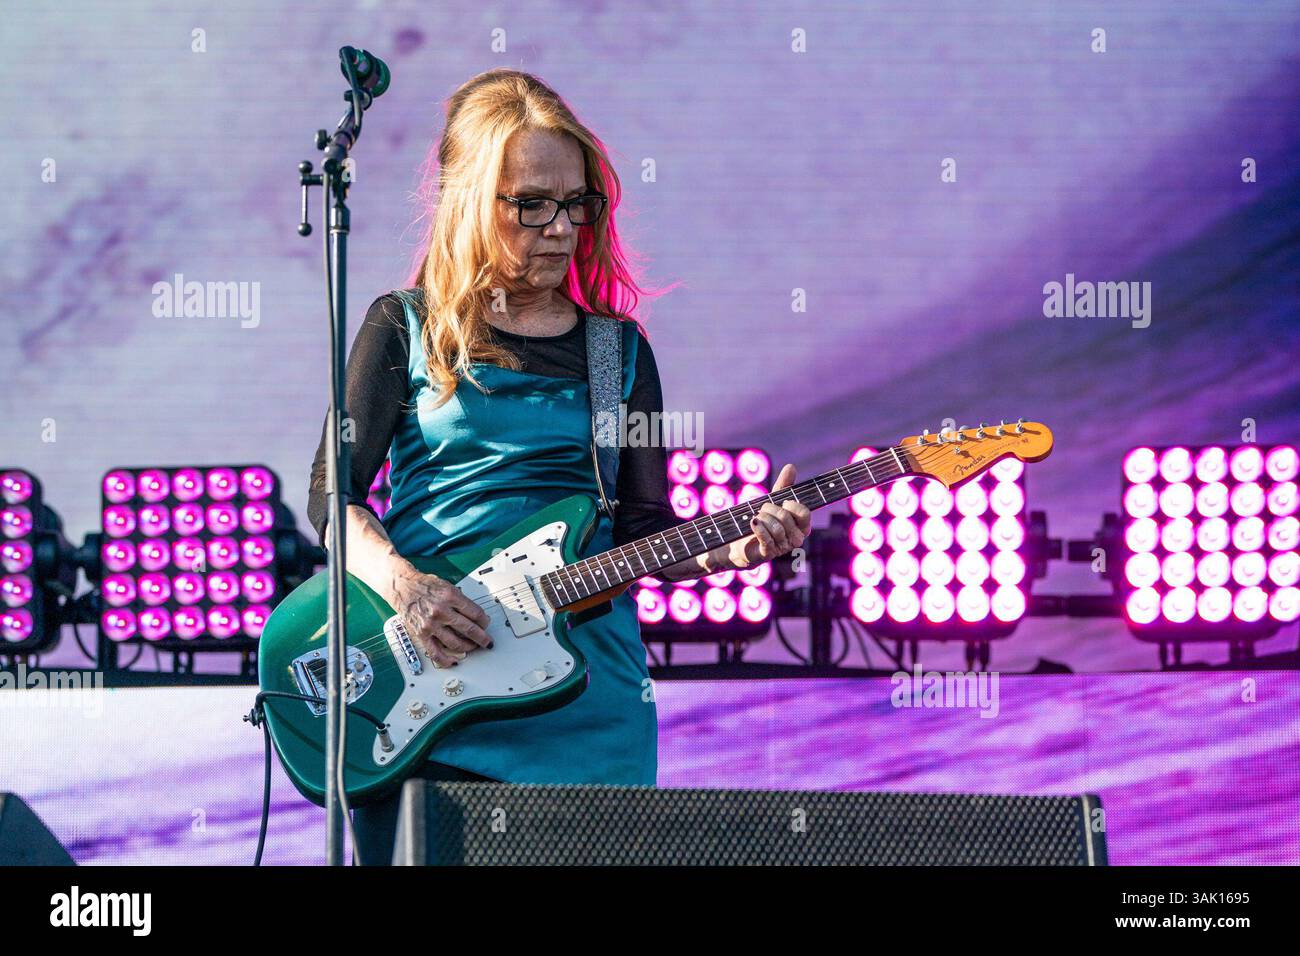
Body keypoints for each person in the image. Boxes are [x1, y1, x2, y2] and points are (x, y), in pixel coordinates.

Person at [306, 68, 811, 864]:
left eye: (576, 204)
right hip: (432, 681)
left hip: (587, 706)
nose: (560, 226)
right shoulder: (403, 327)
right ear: (473, 198)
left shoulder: (620, 352)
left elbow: (649, 532)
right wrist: (408, 589)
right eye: (531, 204)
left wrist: (742, 546)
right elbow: (333, 497)